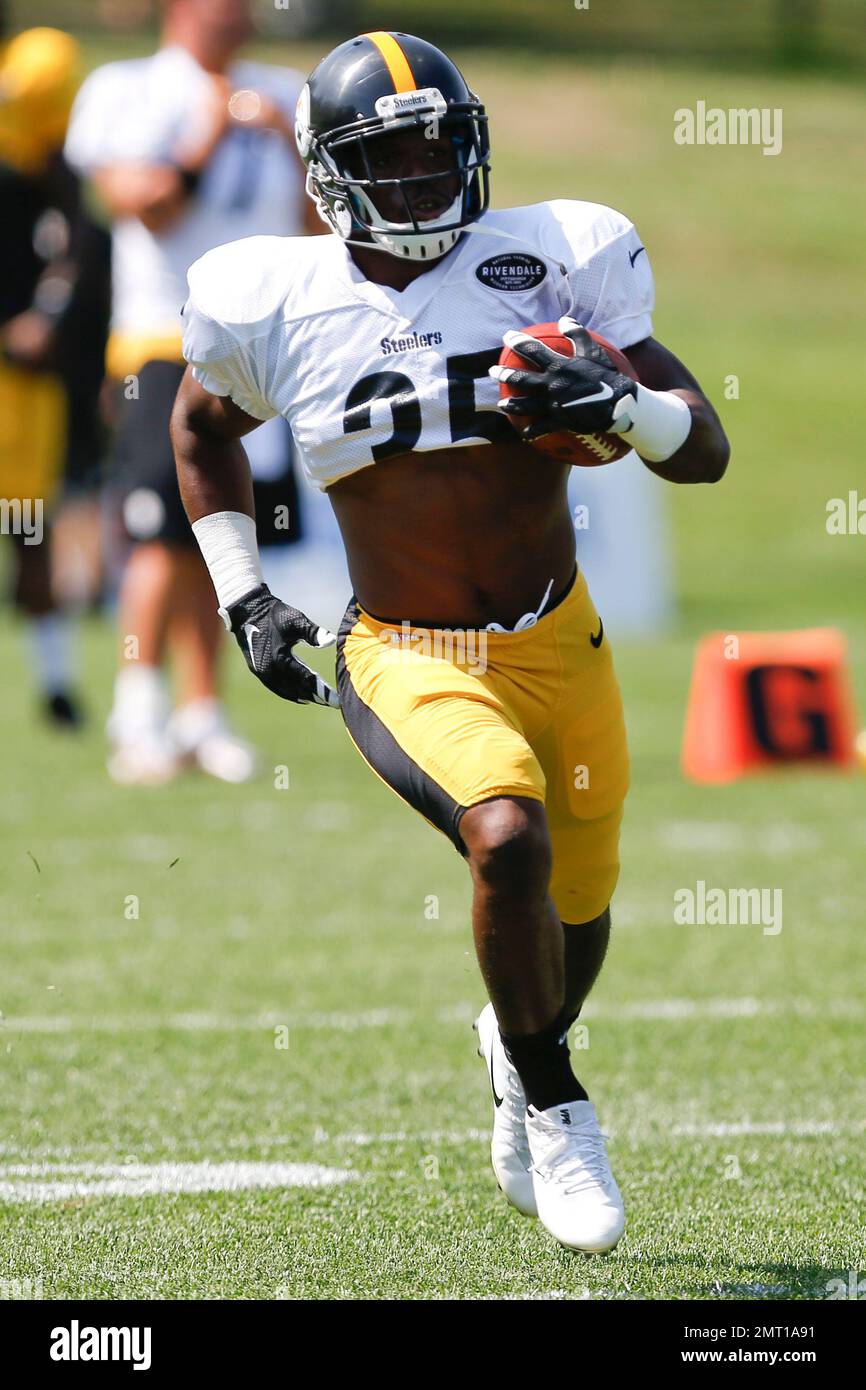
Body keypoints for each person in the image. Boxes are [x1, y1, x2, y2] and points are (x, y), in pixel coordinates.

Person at [171, 32, 729, 1251]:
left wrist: (622, 408)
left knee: (578, 906)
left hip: (560, 639)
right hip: (408, 648)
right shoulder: (268, 297)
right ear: (326, 177)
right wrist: (242, 593)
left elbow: (704, 444)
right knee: (504, 830)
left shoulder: (552, 257)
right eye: (393, 158)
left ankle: (512, 1036)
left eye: (441, 151)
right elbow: (199, 431)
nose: (425, 182)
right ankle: (557, 1098)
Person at [64, 0, 318, 784]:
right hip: (162, 341)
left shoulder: (281, 90)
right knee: (159, 535)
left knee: (224, 538)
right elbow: (143, 203)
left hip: (261, 351)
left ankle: (201, 713)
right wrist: (208, 133)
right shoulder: (127, 87)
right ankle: (136, 707)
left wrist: (289, 142)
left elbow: (324, 233)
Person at [0, 21, 89, 727]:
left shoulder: (32, 70)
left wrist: (48, 315)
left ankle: (56, 682)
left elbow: (73, 223)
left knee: (26, 525)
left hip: (17, 377)